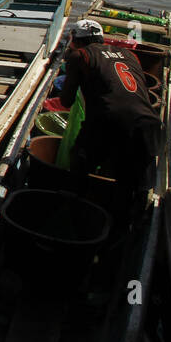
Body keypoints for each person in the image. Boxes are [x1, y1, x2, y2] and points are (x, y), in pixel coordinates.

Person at [59, 19, 162, 205]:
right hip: (149, 123)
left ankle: (76, 209)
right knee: (132, 185)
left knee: (80, 166)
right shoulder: (129, 55)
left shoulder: (80, 56)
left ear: (76, 39)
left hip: (108, 121)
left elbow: (66, 101)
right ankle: (128, 224)